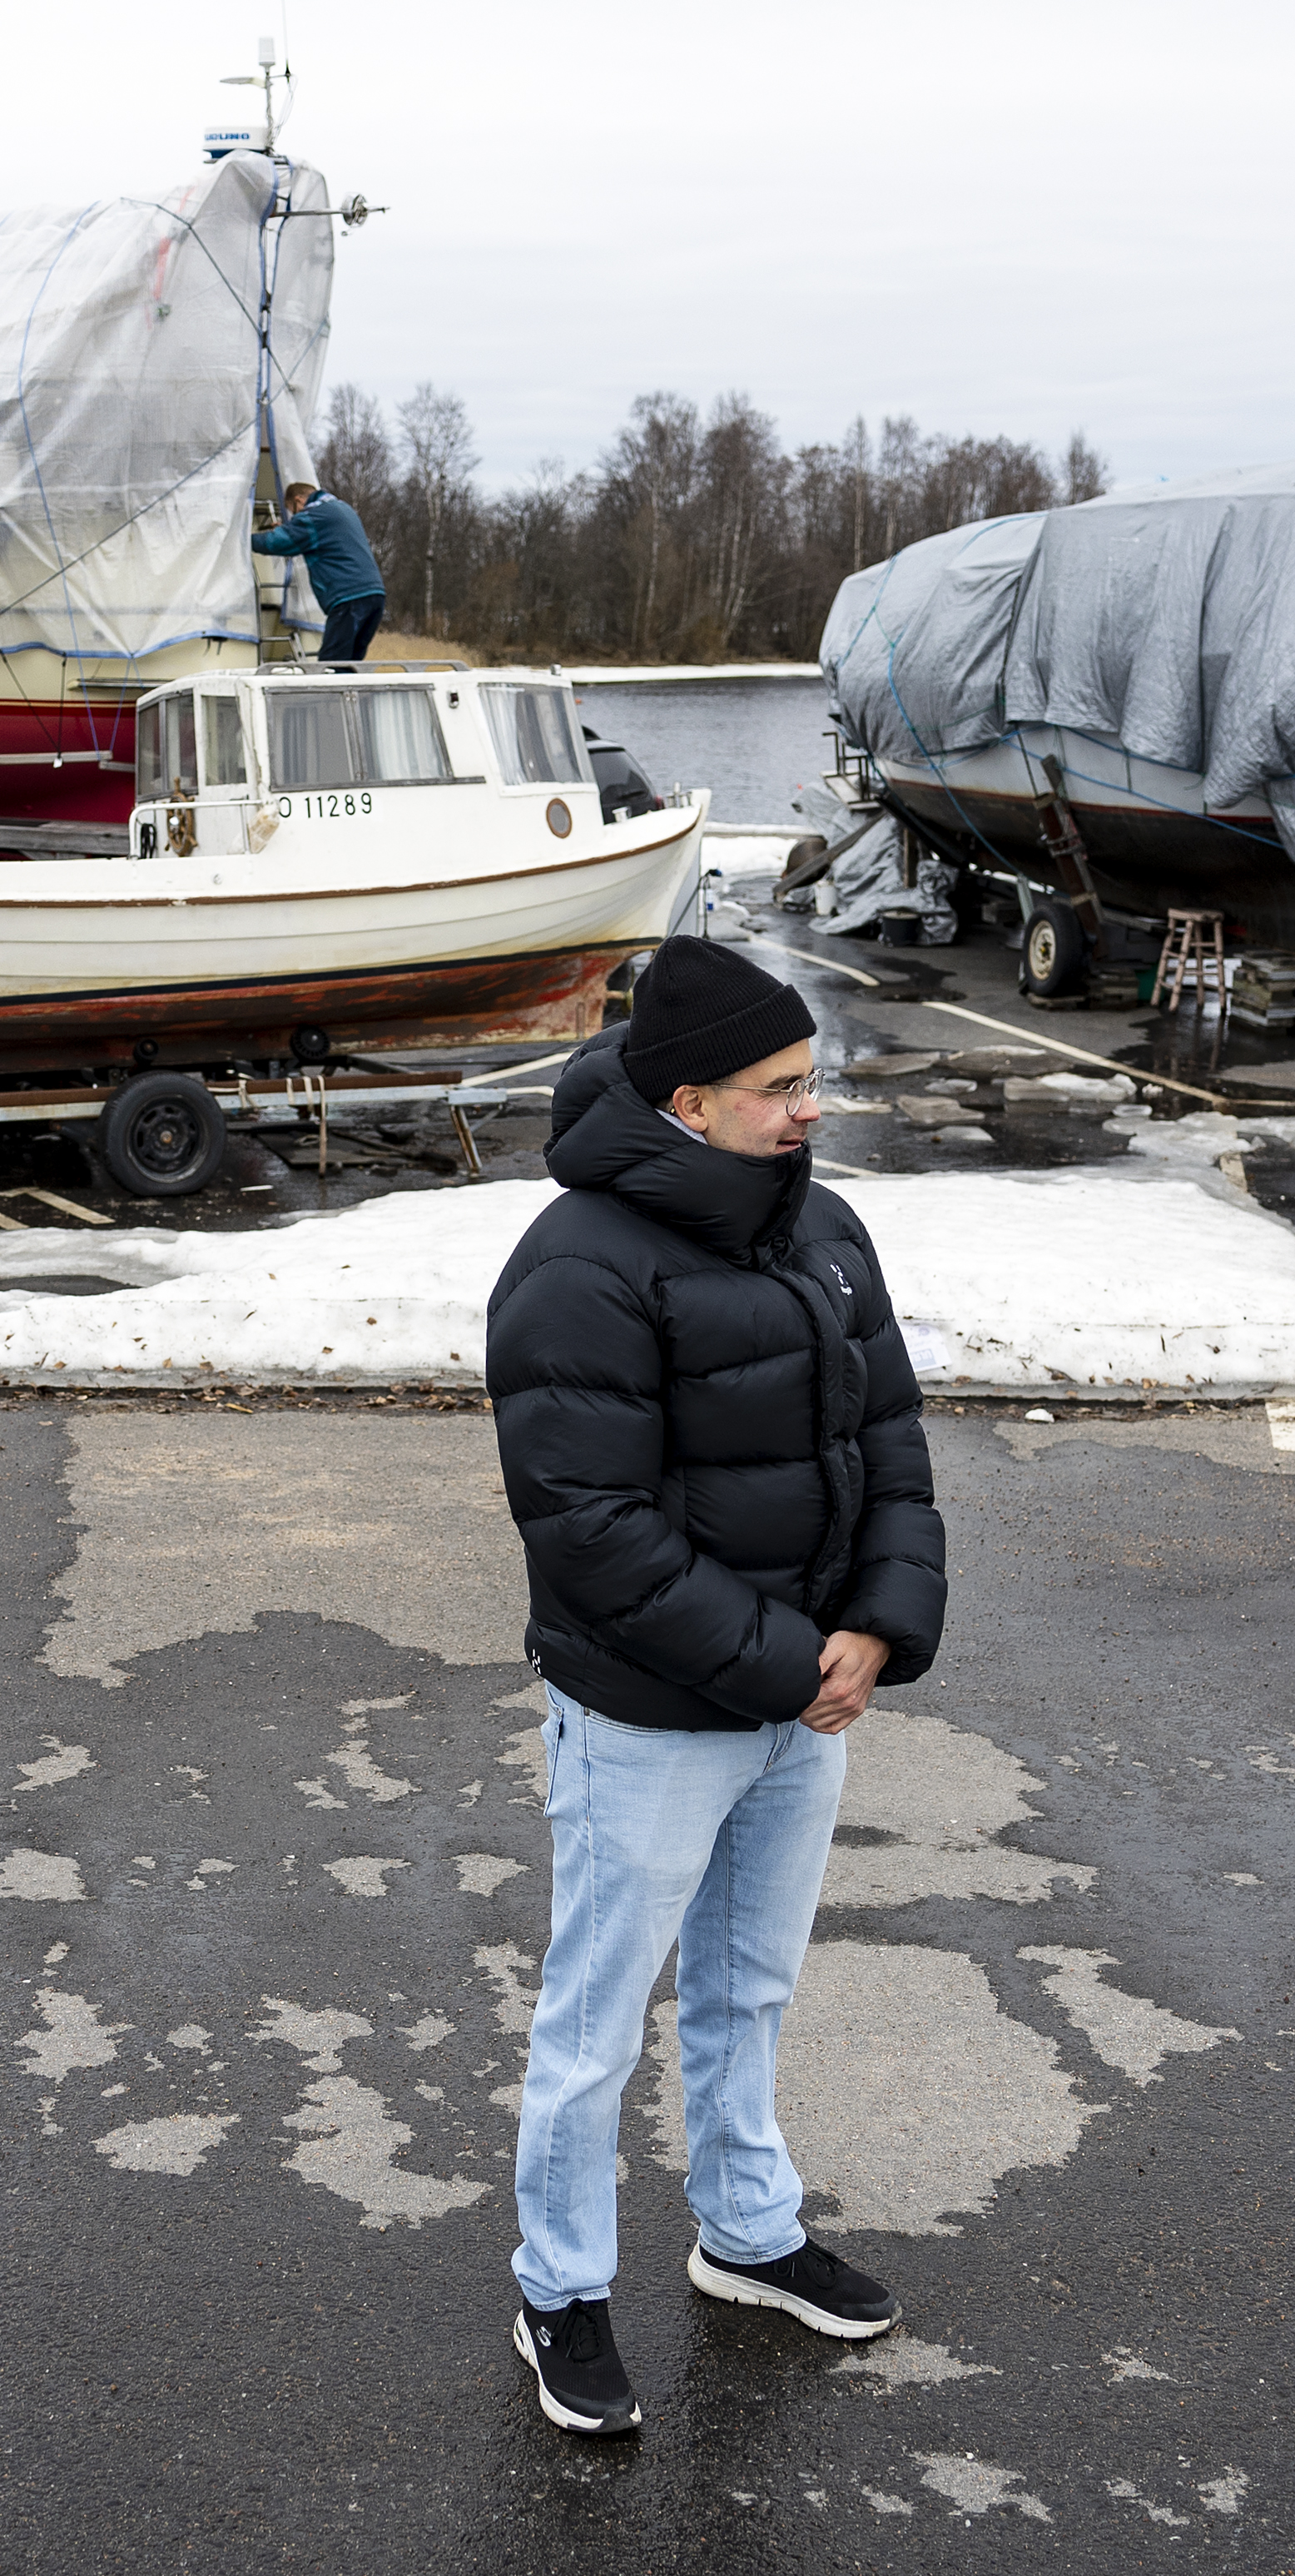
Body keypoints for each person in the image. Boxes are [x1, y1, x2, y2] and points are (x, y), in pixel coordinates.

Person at [482, 933, 950, 2440]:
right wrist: (784, 1668)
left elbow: (891, 1447)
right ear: (686, 1100)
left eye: (814, 1080)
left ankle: (745, 2234)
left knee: (749, 1990)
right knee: (598, 2014)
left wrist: (874, 1629)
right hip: (651, 1716)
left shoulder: (825, 1234)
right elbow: (591, 1531)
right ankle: (558, 2288)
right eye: (778, 1089)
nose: (811, 1111)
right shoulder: (578, 1267)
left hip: (805, 1696)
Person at [251, 481, 388, 666]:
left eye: (293, 511)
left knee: (331, 664)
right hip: (375, 596)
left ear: (299, 500)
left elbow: (278, 543)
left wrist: (243, 539)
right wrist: (291, 527)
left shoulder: (313, 516)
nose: (295, 516)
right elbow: (321, 536)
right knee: (351, 664)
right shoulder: (341, 509)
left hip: (348, 598)